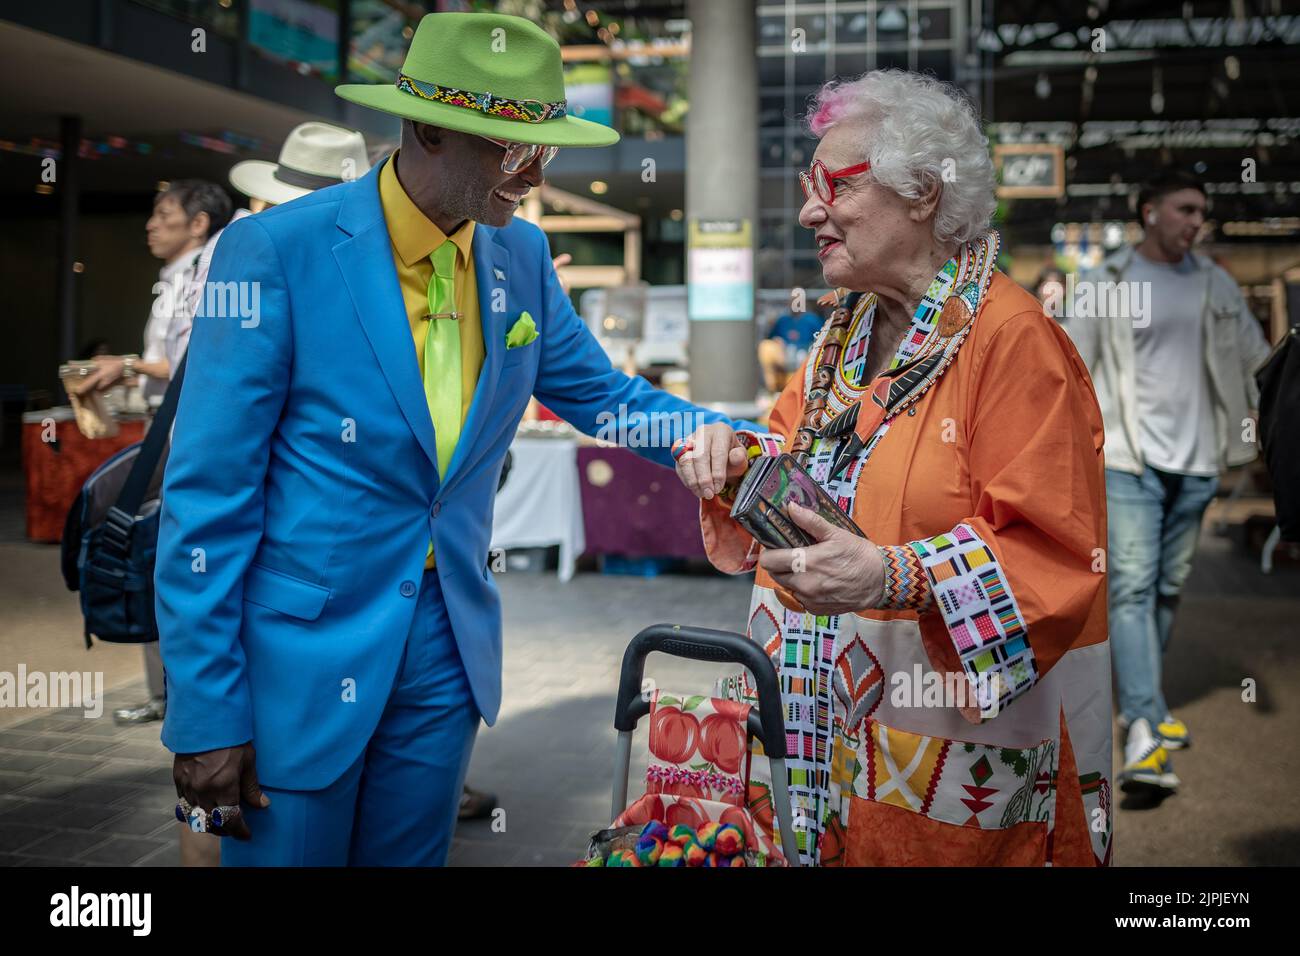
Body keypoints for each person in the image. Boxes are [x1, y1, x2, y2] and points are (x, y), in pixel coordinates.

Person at [156, 12, 747, 866]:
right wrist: (206, 711)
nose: (537, 175)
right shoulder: (274, 251)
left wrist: (742, 441)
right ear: (428, 128)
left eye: (547, 150)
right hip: (301, 652)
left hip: (446, 646)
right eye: (514, 149)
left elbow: (606, 399)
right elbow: (208, 495)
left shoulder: (521, 257)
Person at [674, 70, 1112, 866]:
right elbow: (797, 468)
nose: (810, 210)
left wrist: (894, 579)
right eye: (810, 187)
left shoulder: (1013, 341)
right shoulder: (843, 334)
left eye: (833, 184)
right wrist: (735, 465)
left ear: (922, 193)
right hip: (813, 752)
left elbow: (1059, 556)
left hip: (944, 775)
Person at [1068, 169, 1270, 795]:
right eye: (1184, 209)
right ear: (1149, 211)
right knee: (1131, 585)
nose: (1195, 221)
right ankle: (1144, 730)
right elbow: (1073, 366)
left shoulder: (1214, 283)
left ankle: (1143, 702)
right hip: (1130, 460)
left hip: (1200, 459)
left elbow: (1256, 357)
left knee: (1168, 587)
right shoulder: (1107, 282)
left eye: (1200, 212)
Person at [75, 179, 231, 726]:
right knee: (155, 552)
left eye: (164, 214)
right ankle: (167, 693)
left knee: (163, 552)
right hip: (166, 430)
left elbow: (190, 360)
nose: (150, 224)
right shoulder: (176, 277)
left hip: (183, 436)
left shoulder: (209, 272)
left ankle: (182, 697)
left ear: (198, 224)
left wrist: (128, 366)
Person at [758, 308, 825, 393]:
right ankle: (772, 390)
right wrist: (777, 341)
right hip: (784, 356)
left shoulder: (813, 319)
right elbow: (772, 337)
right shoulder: (783, 320)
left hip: (805, 358)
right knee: (765, 346)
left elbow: (823, 338)